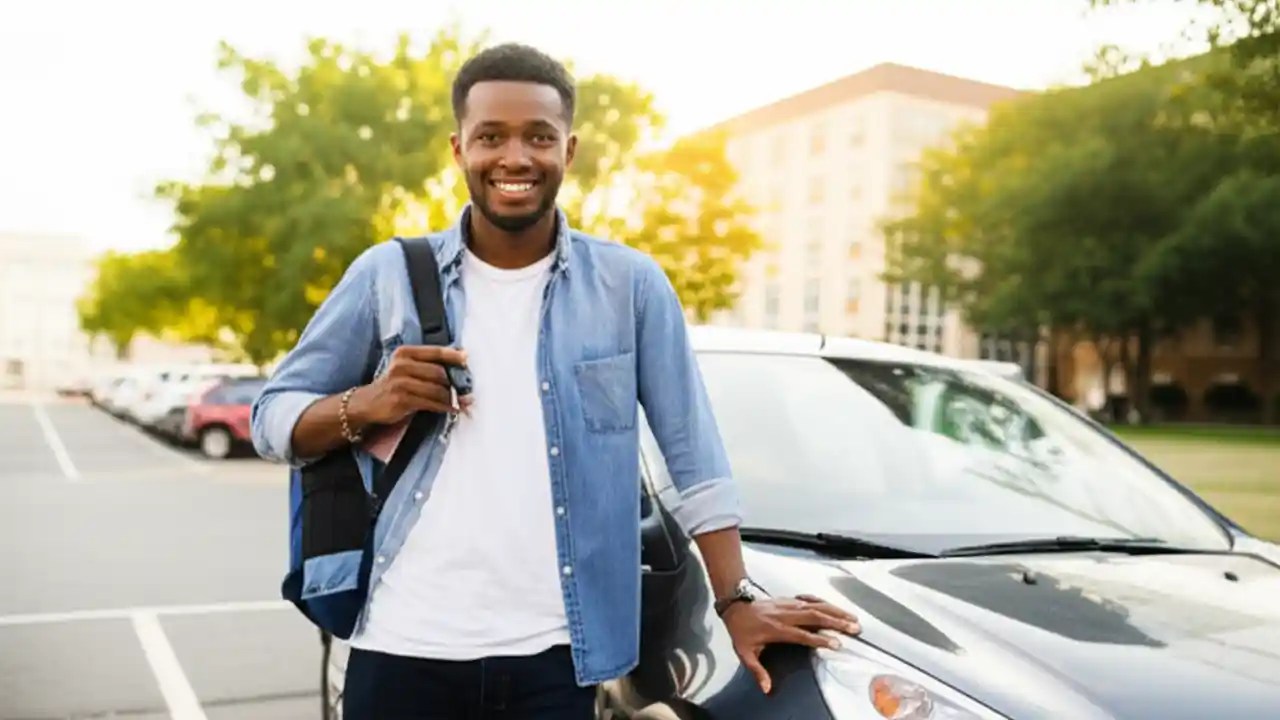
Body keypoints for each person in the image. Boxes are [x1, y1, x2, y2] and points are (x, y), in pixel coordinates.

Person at [251, 42, 860, 719]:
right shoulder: (385, 276)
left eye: (538, 137)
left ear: (568, 152)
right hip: (400, 653)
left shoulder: (629, 287)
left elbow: (694, 456)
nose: (515, 157)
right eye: (491, 137)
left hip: (555, 663)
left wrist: (736, 598)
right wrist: (369, 403)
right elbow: (273, 420)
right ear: (459, 149)